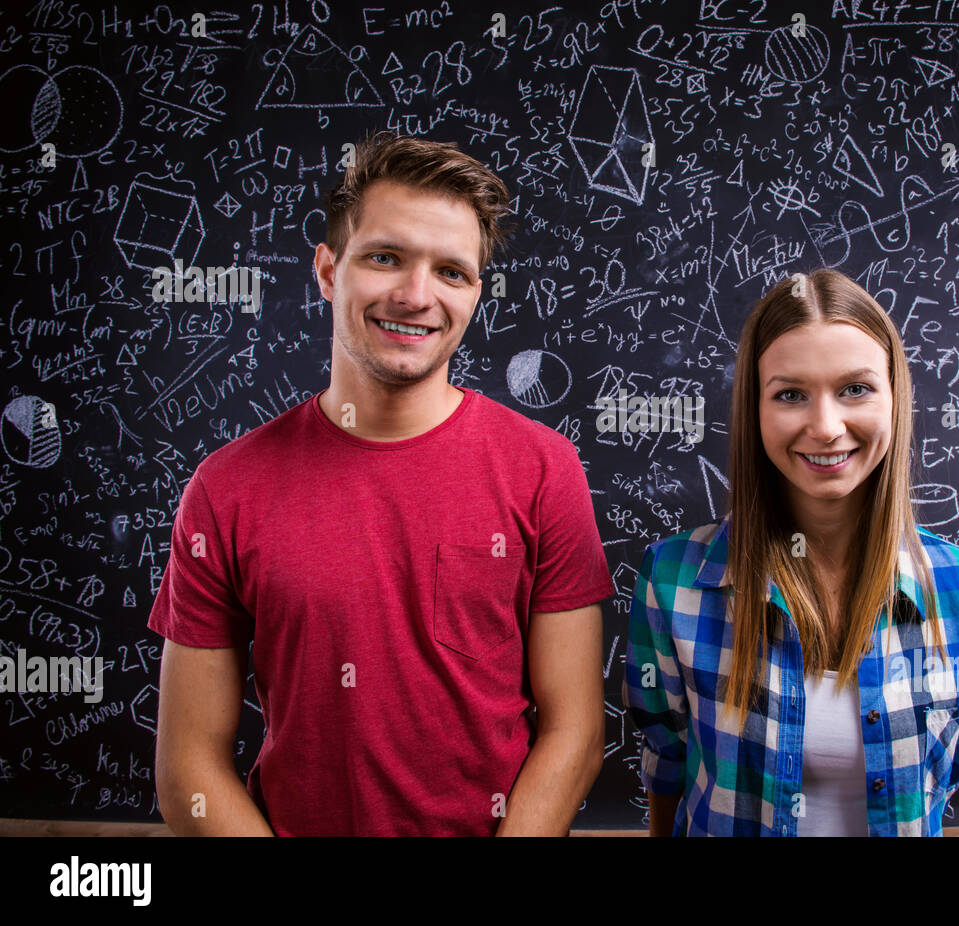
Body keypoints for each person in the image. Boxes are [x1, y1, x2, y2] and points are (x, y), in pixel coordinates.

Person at [149, 131, 614, 836]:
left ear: (475, 294)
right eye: (386, 258)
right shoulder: (226, 490)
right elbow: (189, 768)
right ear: (330, 270)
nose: (415, 295)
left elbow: (574, 732)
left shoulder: (544, 470)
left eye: (451, 272)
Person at [622, 268, 959, 836]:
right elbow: (668, 763)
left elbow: (952, 766)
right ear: (755, 409)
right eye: (791, 394)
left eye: (855, 388)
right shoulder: (674, 579)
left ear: (894, 399)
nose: (826, 427)